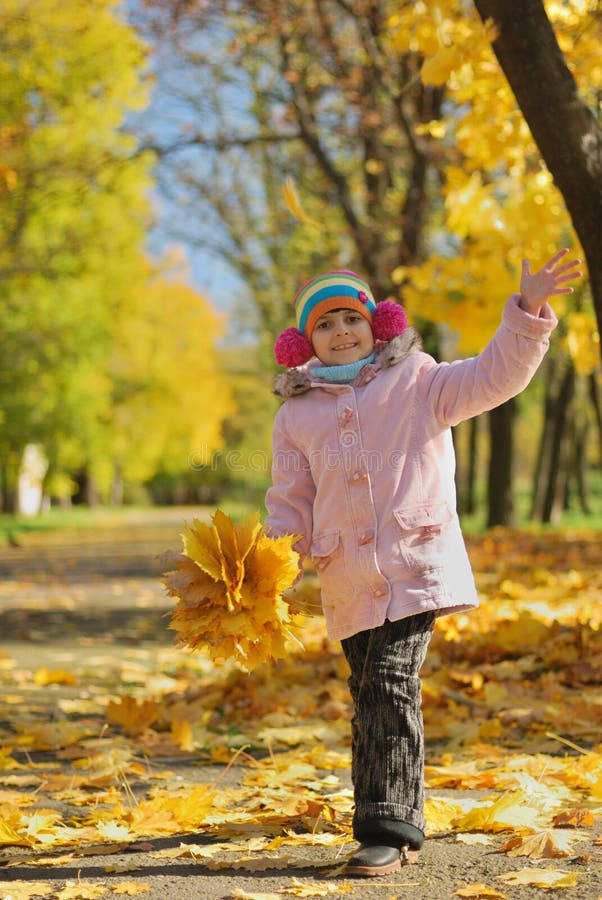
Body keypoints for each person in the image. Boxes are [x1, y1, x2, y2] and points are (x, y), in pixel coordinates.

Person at [264, 250, 582, 877]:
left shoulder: (418, 379)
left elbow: (493, 377)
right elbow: (289, 501)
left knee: (389, 680)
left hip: (413, 565)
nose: (341, 331)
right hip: (347, 578)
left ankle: (388, 826)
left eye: (351, 318)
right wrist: (271, 567)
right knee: (368, 692)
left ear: (376, 323)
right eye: (324, 324)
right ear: (304, 341)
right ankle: (383, 808)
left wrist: (527, 311)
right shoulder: (295, 414)